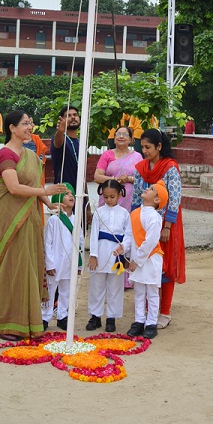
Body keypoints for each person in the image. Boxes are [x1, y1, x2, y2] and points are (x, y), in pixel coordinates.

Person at [0, 110, 65, 341]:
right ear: (11, 128)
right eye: (25, 124)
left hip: (30, 216)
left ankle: (28, 323)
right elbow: (13, 188)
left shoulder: (31, 155)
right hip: (9, 217)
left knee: (29, 266)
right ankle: (4, 325)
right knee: (12, 268)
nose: (30, 127)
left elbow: (33, 185)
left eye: (31, 123)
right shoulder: (6, 154)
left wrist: (50, 204)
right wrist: (44, 191)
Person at [131, 128, 186, 329]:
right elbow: (137, 197)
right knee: (145, 264)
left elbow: (175, 197)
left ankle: (165, 311)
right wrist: (135, 223)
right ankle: (146, 310)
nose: (144, 151)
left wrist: (168, 226)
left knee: (166, 266)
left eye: (148, 147)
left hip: (165, 227)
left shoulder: (170, 167)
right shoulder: (140, 168)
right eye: (142, 147)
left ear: (159, 147)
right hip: (143, 226)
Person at [94, 126, 143, 288]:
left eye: (125, 134)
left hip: (129, 201)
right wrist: (115, 179)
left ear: (131, 139)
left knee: (126, 236)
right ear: (113, 138)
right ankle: (105, 270)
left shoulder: (137, 156)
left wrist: (127, 178)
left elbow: (142, 179)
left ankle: (125, 278)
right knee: (107, 235)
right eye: (118, 134)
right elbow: (97, 176)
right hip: (108, 200)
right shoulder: (107, 155)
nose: (121, 136)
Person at [86, 179, 131, 333]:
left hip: (116, 255)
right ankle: (95, 316)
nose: (109, 200)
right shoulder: (99, 212)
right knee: (96, 287)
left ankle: (111, 318)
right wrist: (93, 254)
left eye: (112, 196)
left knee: (115, 287)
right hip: (100, 252)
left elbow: (129, 235)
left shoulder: (125, 214)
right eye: (105, 197)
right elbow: (93, 235)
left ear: (119, 195)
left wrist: (124, 249)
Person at [126, 181, 168, 340]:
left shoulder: (155, 217)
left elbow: (150, 242)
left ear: (157, 200)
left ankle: (151, 322)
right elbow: (129, 235)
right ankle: (138, 320)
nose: (146, 189)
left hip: (150, 259)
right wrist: (124, 247)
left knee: (151, 292)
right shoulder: (135, 213)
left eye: (151, 189)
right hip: (137, 259)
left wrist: (137, 259)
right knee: (138, 292)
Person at [41, 183, 82, 332]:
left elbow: (80, 243)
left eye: (71, 193)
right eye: (66, 194)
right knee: (51, 290)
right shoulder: (54, 219)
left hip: (70, 263)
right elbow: (48, 244)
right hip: (56, 263)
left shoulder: (77, 219)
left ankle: (62, 317)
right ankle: (45, 317)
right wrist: (50, 264)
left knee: (66, 291)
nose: (70, 196)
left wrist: (78, 265)